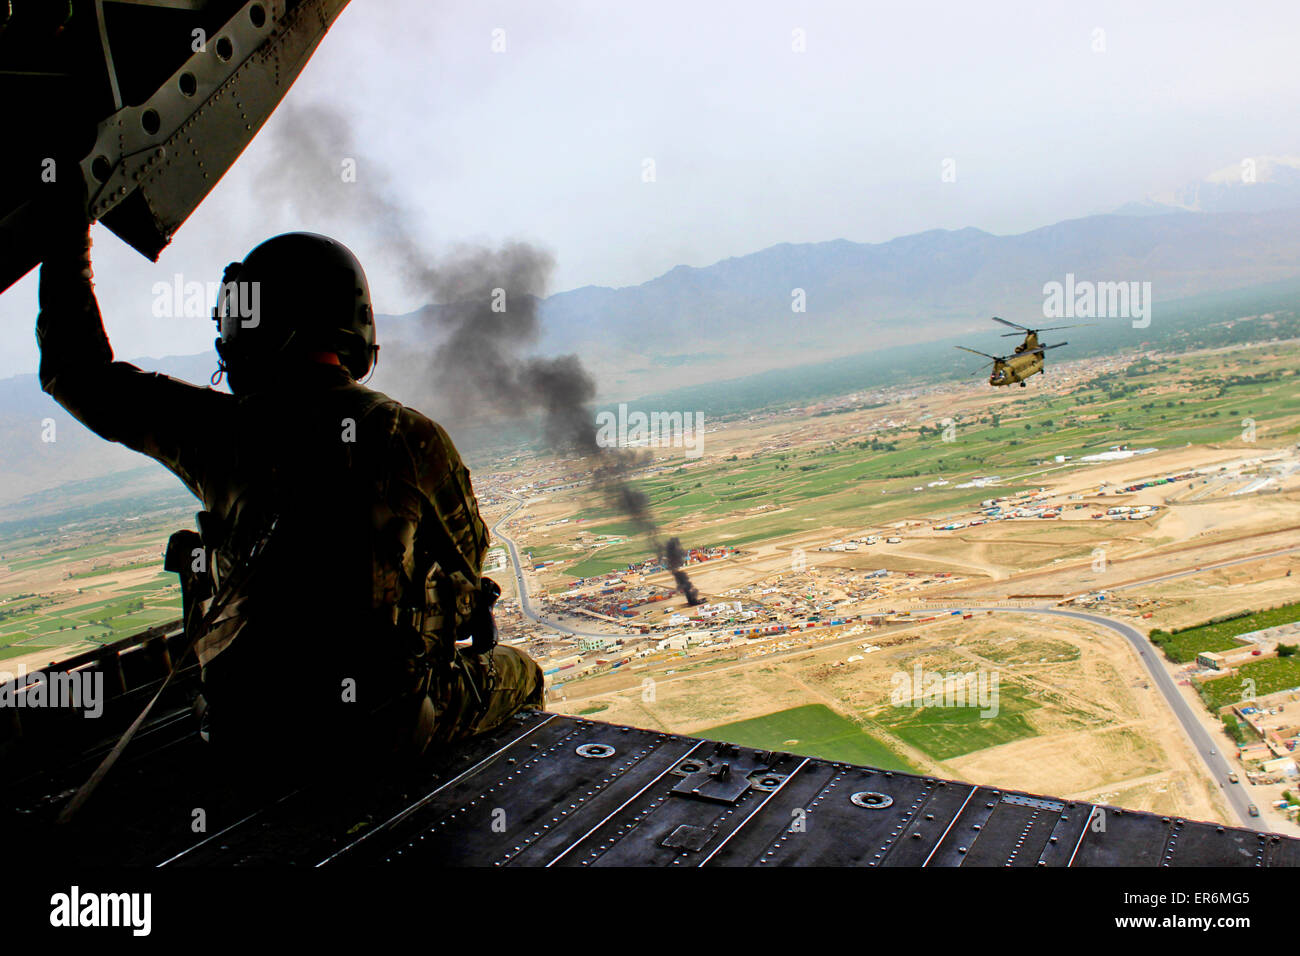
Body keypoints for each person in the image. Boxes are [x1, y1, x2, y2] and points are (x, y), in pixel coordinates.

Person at [36, 212, 543, 767]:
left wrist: (67, 231)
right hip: (383, 727)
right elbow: (469, 557)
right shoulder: (407, 434)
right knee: (523, 672)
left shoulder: (214, 430)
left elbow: (76, 371)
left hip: (245, 727)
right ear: (354, 324)